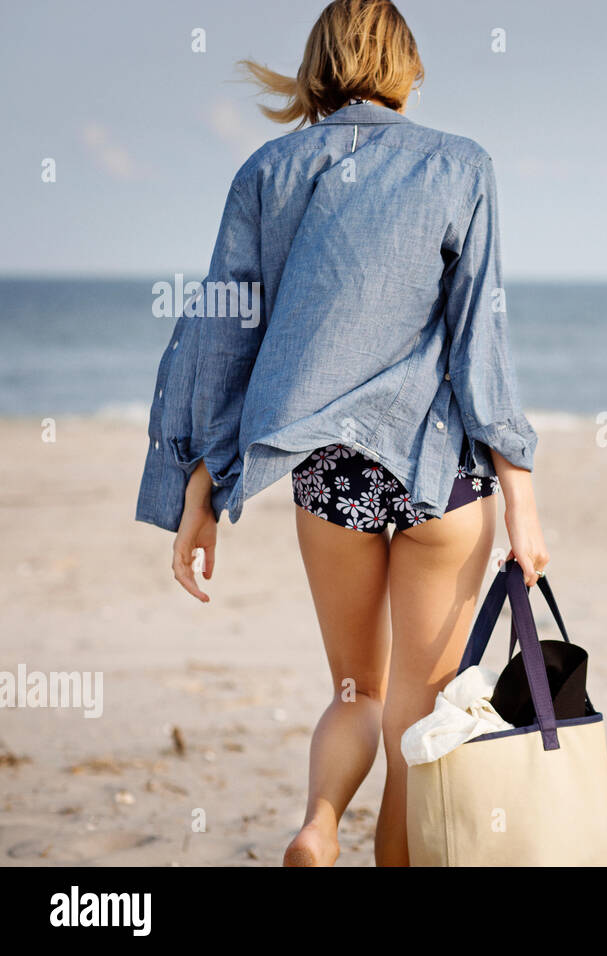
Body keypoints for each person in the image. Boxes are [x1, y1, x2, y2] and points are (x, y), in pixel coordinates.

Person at [134, 0, 549, 866]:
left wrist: (196, 490)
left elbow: (221, 332)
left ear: (316, 66)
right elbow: (483, 344)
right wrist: (525, 506)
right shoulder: (461, 166)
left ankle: (319, 825)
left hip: (331, 477)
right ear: (407, 66)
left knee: (355, 690)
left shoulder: (268, 171)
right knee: (419, 711)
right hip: (443, 477)